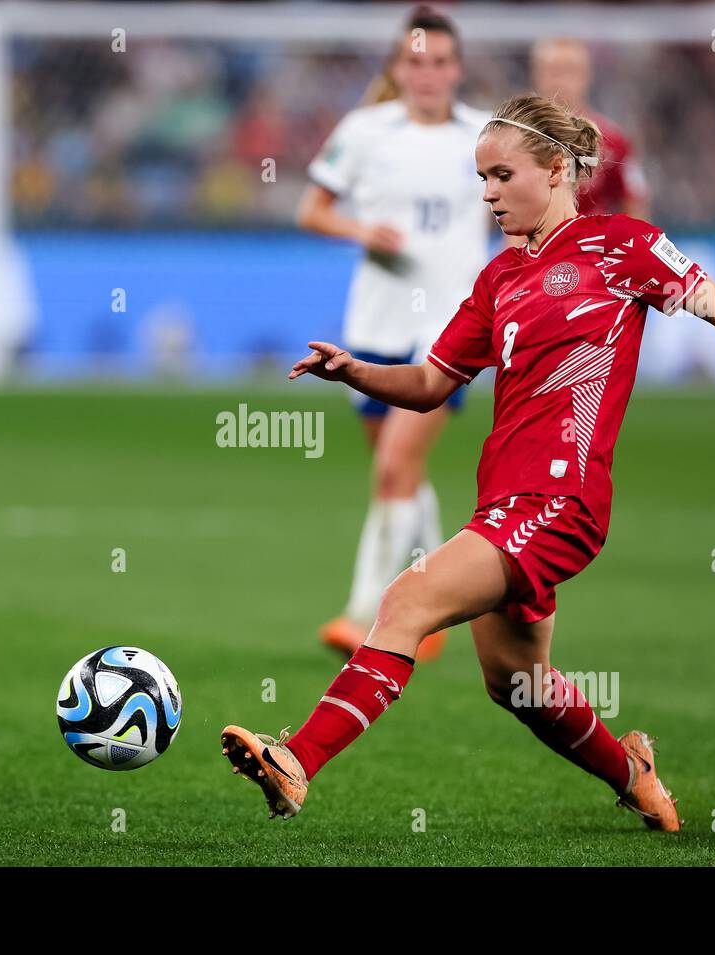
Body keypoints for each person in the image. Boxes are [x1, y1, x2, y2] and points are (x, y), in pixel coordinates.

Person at [221, 93, 715, 831]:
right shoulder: (500, 279)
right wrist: (356, 370)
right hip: (504, 505)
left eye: (500, 175)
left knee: (405, 603)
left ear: (556, 169)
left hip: (563, 501)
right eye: (481, 178)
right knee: (516, 683)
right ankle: (635, 775)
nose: (486, 194)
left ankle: (297, 760)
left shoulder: (624, 246)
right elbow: (430, 384)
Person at [298, 6, 494, 662]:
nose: (429, 73)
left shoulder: (485, 136)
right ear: (398, 67)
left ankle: (366, 613)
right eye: (416, 61)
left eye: (440, 62)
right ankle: (436, 609)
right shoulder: (365, 131)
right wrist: (363, 232)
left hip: (451, 327)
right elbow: (312, 210)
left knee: (393, 469)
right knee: (401, 472)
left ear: (456, 68)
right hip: (376, 319)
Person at [530, 38, 649, 218]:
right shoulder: (518, 138)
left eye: (569, 71)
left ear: (585, 76)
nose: (560, 81)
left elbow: (634, 206)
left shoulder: (611, 140)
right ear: (536, 75)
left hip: (592, 244)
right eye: (552, 71)